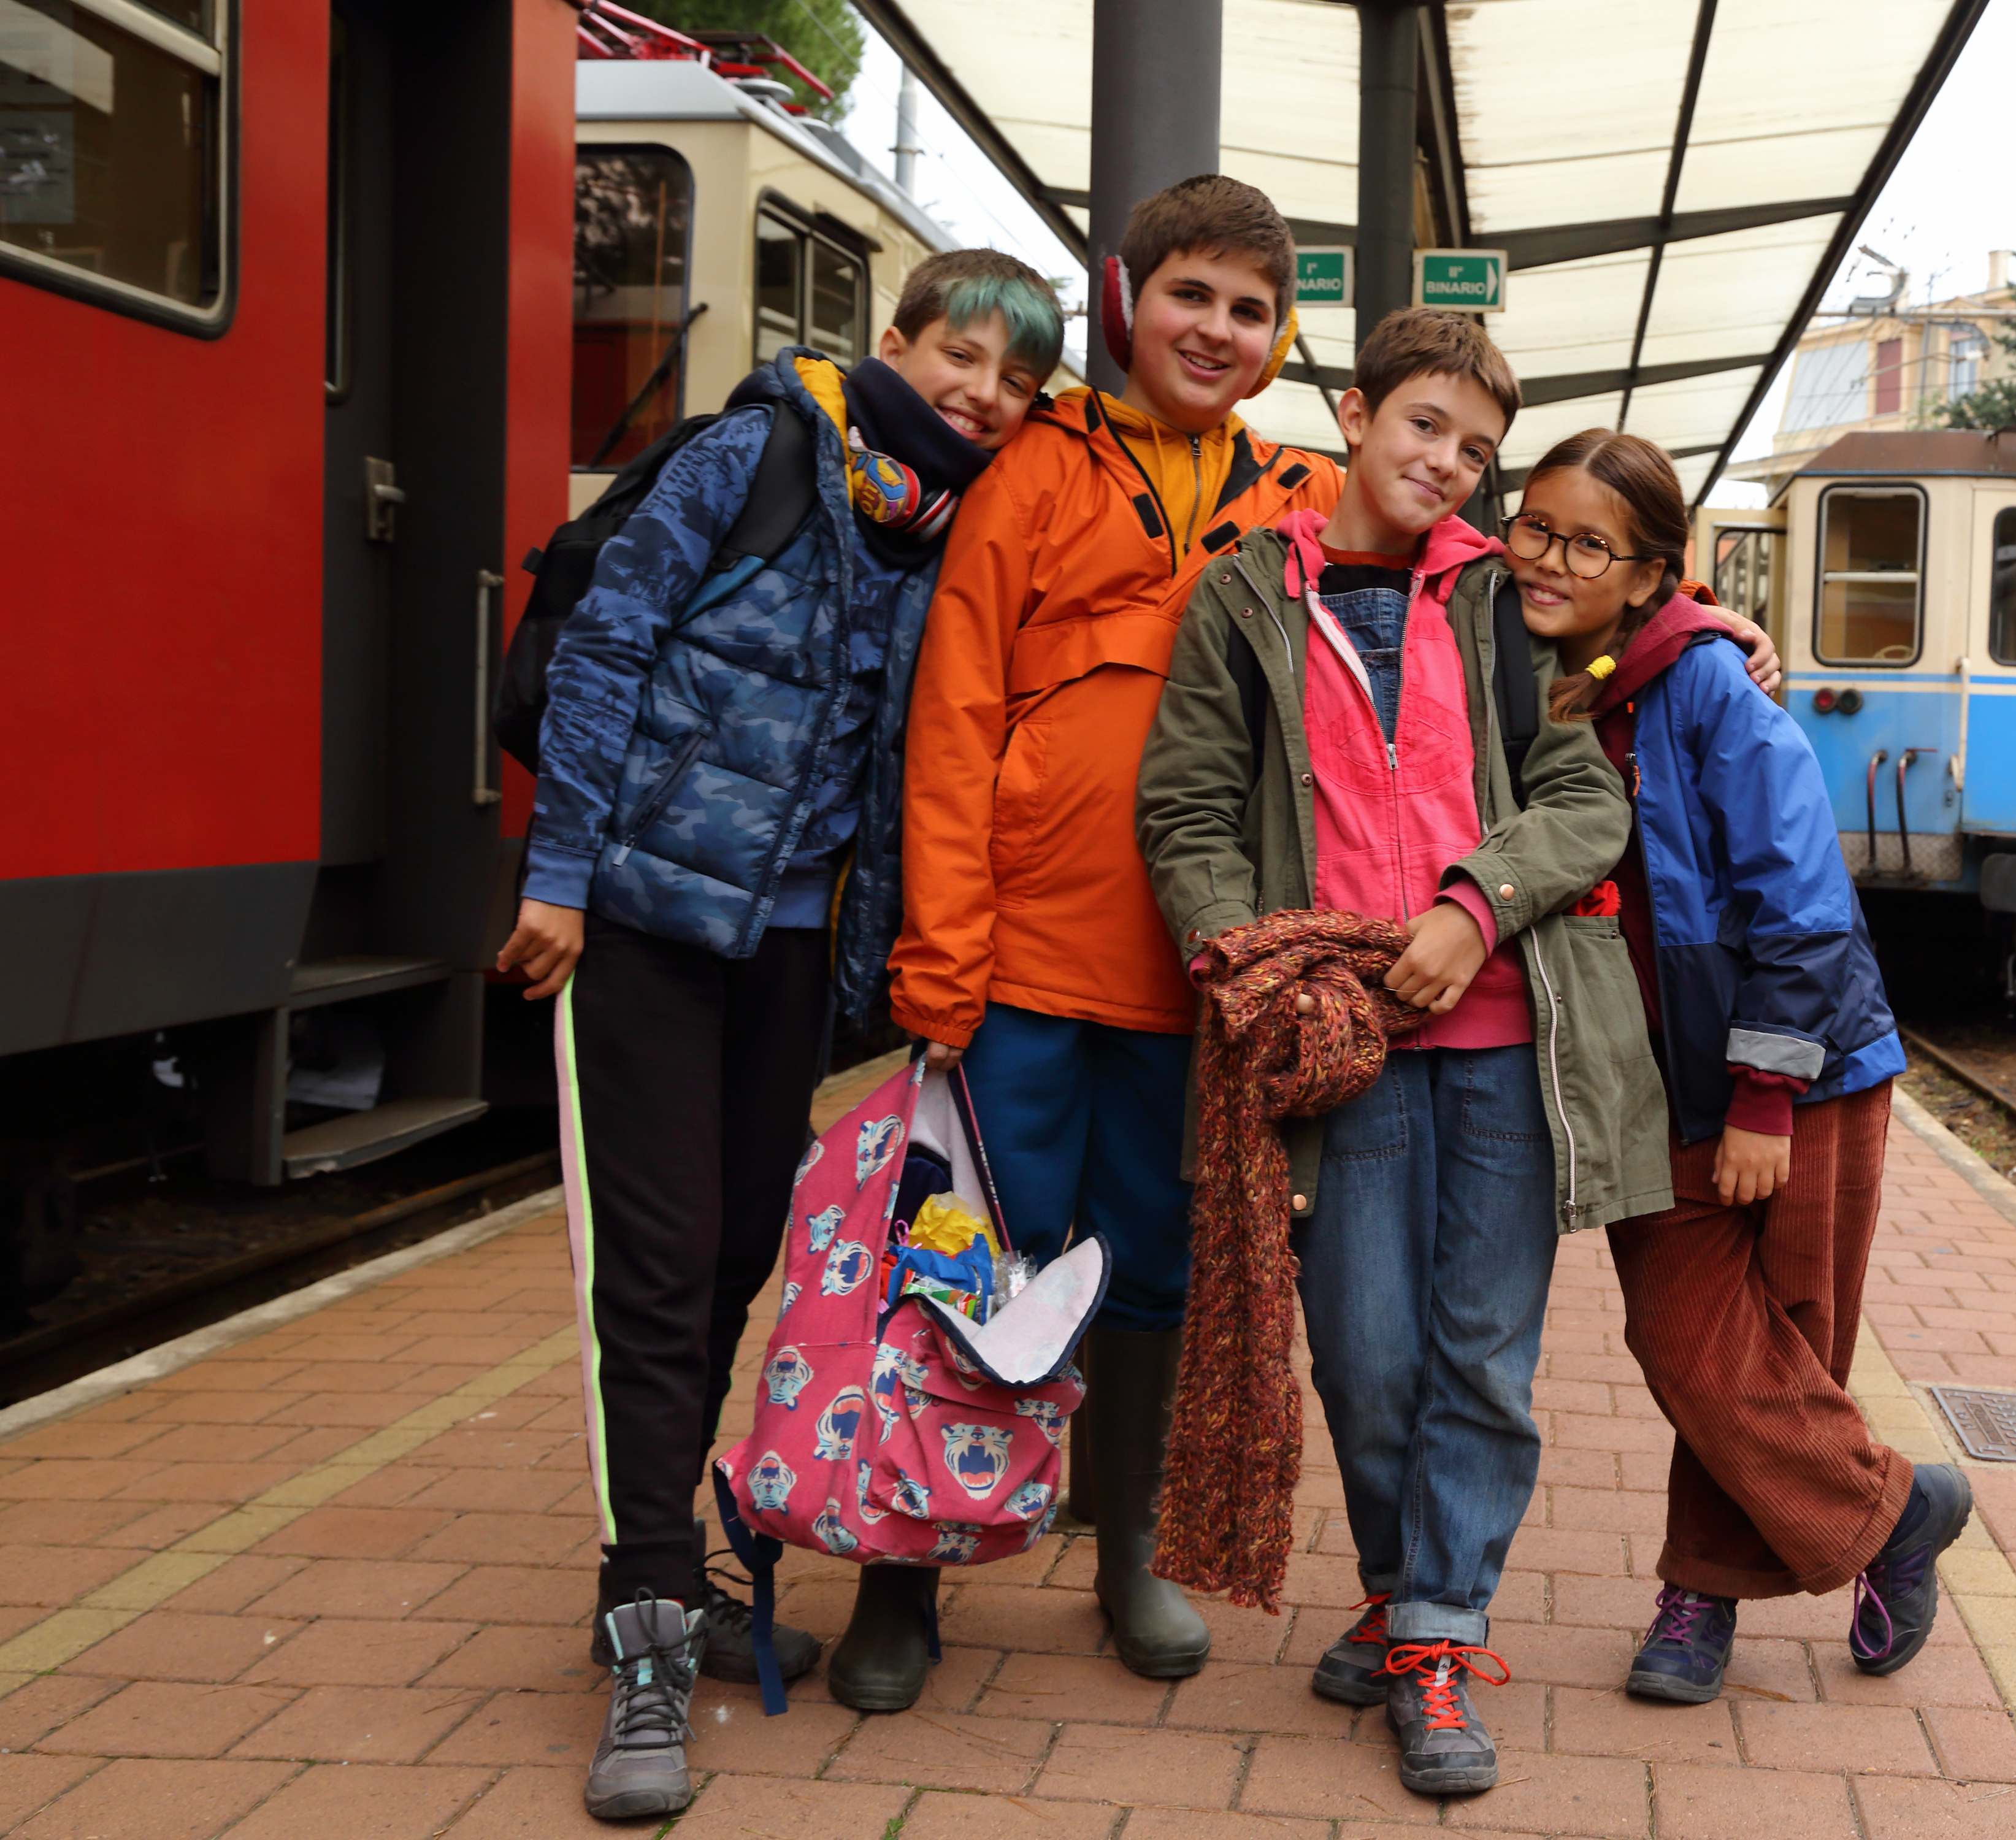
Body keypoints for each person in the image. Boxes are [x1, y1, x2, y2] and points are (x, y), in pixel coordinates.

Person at [494, 249, 1064, 1821]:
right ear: (896, 343)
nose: (982, 395)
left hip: (798, 954)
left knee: (745, 1246)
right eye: (962, 356)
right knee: (659, 1274)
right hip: (643, 932)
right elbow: (608, 649)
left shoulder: (945, 531)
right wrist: (559, 880)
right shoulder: (762, 454)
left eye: (1016, 382)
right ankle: (653, 1626)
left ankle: (663, 1559)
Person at [1136, 308, 1673, 1795]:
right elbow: (1186, 813)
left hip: (1505, 1037)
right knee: (1366, 1358)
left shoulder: (1505, 604)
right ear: (1358, 413)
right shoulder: (1245, 594)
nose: (1448, 464)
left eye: (1479, 451)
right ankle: (1396, 1592)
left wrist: (1473, 908)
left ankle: (1436, 1635)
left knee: (1481, 1359)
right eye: (1426, 427)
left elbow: (1582, 800)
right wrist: (1260, 970)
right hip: (1332, 1041)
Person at [887, 175, 1348, 1682]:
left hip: (1193, 976)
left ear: (1280, 338)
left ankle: (1128, 1544)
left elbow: (1488, 602)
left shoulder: (1305, 493)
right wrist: (942, 948)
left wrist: (1665, 635)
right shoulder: (1035, 465)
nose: (1216, 328)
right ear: (1125, 295)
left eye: (1250, 308)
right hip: (1018, 960)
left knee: (1151, 1263)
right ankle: (912, 1563)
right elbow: (954, 712)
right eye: (1191, 294)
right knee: (969, 1258)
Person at [1501, 430, 1974, 1709]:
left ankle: (1700, 1602)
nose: (1548, 556)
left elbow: (1803, 899)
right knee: (1692, 1336)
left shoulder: (1707, 684)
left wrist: (1766, 1093)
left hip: (1799, 1075)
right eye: (1534, 525)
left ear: (1655, 571)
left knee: (1788, 1343)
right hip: (1655, 1087)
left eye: (1587, 541)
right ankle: (1897, 1513)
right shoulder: (1539, 667)